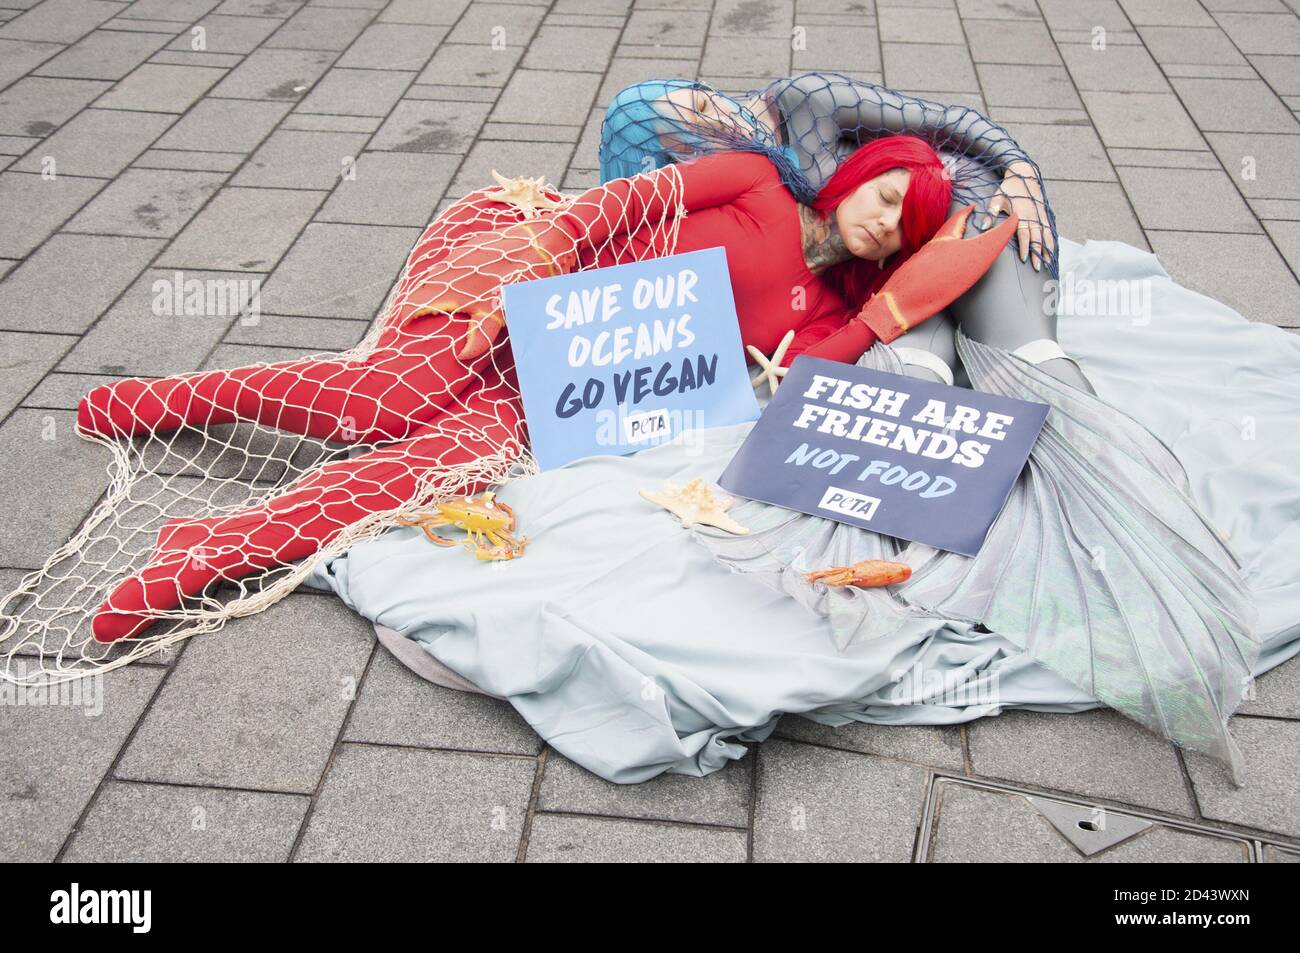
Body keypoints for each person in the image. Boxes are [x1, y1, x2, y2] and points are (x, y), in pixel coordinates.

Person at [76, 137, 1017, 643]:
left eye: (906, 230)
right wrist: (533, 278)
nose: (884, 227)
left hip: (565, 388)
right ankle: (166, 401)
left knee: (421, 468)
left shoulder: (820, 316)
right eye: (887, 199)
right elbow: (618, 205)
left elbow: (821, 366)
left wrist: (906, 298)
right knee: (382, 401)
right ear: (857, 177)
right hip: (531, 289)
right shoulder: (760, 187)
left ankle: (204, 550)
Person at [600, 71, 1093, 394]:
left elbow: (948, 121)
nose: (719, 116)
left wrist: (1018, 167)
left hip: (956, 190)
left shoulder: (802, 102)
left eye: (703, 101)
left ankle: (1066, 405)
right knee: (926, 351)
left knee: (1025, 349)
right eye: (684, 133)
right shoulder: (727, 181)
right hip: (882, 258)